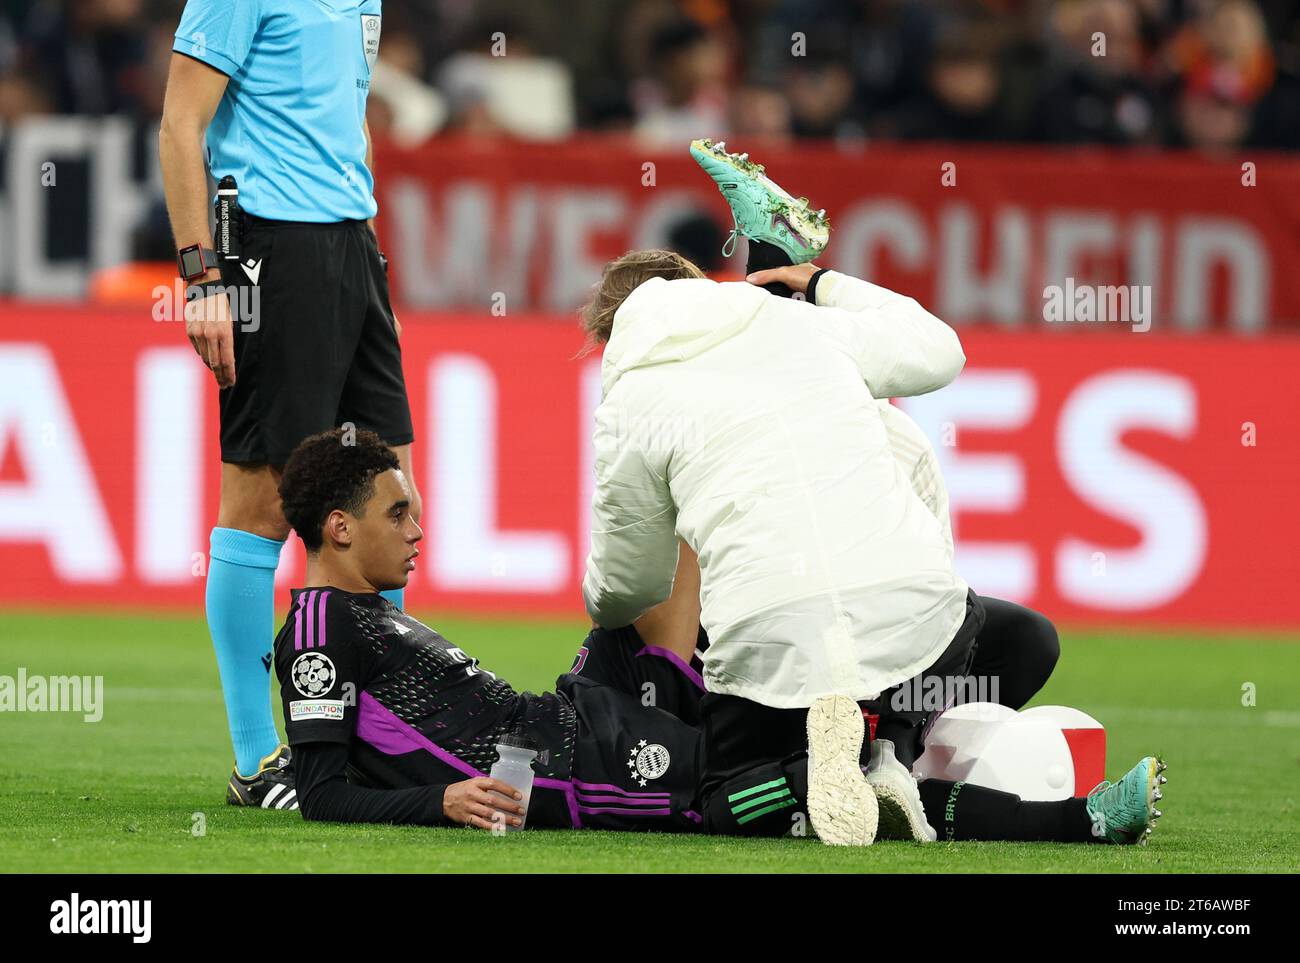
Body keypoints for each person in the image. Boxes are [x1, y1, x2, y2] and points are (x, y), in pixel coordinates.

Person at [269, 427, 1165, 845]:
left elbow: (341, 758)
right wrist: (444, 803)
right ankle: (1074, 822)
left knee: (663, 559)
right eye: (399, 513)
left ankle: (860, 708)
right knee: (830, 788)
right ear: (339, 528)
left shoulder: (365, 615)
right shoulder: (319, 624)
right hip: (593, 777)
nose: (418, 529)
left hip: (582, 713)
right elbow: (324, 790)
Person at [579, 138, 982, 846]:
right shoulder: (796, 324)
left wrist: (617, 583)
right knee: (1016, 641)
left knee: (715, 800)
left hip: (771, 638)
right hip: (913, 607)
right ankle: (890, 751)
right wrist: (820, 282)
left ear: (611, 336)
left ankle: (817, 770)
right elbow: (941, 350)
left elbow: (630, 586)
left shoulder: (634, 398)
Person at [159, 0, 420, 807]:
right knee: (264, 500)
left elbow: (350, 123)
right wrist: (203, 275)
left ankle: (378, 736)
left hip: (350, 240)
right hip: (268, 247)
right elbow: (179, 125)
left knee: (388, 494)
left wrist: (367, 257)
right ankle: (255, 758)